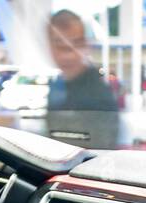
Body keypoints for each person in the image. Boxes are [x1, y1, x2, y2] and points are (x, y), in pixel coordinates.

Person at [45, 9, 121, 149]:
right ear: (49, 46)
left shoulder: (96, 92)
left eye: (76, 43)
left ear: (86, 44)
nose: (68, 55)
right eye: (60, 45)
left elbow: (99, 148)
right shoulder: (57, 85)